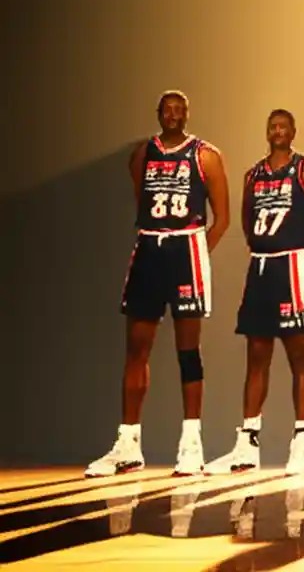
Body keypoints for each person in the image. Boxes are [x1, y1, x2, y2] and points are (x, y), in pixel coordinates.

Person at [86, 91, 230, 477]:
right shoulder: (142, 155)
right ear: (159, 114)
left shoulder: (205, 155)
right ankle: (128, 442)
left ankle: (191, 442)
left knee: (188, 349)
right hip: (150, 246)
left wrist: (198, 251)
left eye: (180, 109)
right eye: (167, 108)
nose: (173, 114)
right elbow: (141, 199)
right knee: (136, 348)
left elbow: (223, 217)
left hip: (186, 248)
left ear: (188, 114)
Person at [204, 110, 304, 476]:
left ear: (294, 131)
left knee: (298, 354)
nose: (277, 131)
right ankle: (247, 441)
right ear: (268, 132)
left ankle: (302, 440)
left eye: (283, 126)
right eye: (272, 127)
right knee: (256, 354)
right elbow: (248, 223)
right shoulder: (253, 175)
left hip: (294, 264)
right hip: (262, 266)